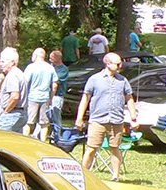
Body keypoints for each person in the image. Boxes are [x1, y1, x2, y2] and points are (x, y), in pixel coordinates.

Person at [74, 51, 136, 182]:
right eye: (117, 64)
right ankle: (82, 176)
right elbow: (85, 99)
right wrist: (79, 118)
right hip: (98, 120)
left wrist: (133, 118)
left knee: (115, 148)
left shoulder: (123, 80)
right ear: (108, 64)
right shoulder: (94, 79)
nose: (120, 66)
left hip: (116, 120)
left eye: (120, 63)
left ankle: (115, 176)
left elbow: (129, 98)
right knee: (91, 148)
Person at [22, 47, 57, 139]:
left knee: (28, 122)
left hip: (32, 97)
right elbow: (54, 85)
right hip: (45, 97)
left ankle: (25, 140)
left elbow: (25, 82)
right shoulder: (50, 68)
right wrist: (51, 98)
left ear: (35, 55)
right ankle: (42, 141)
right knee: (44, 123)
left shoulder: (31, 67)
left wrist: (23, 97)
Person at [0, 47, 25, 132]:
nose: (1, 64)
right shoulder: (19, 73)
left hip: (11, 115)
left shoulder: (12, 75)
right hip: (18, 113)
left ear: (12, 62)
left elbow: (15, 97)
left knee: (0, 138)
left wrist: (6, 112)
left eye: (3, 62)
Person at [49, 48, 70, 116]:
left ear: (57, 58)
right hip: (48, 95)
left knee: (55, 116)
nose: (49, 60)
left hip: (57, 96)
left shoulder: (64, 69)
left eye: (51, 58)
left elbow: (56, 80)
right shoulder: (51, 67)